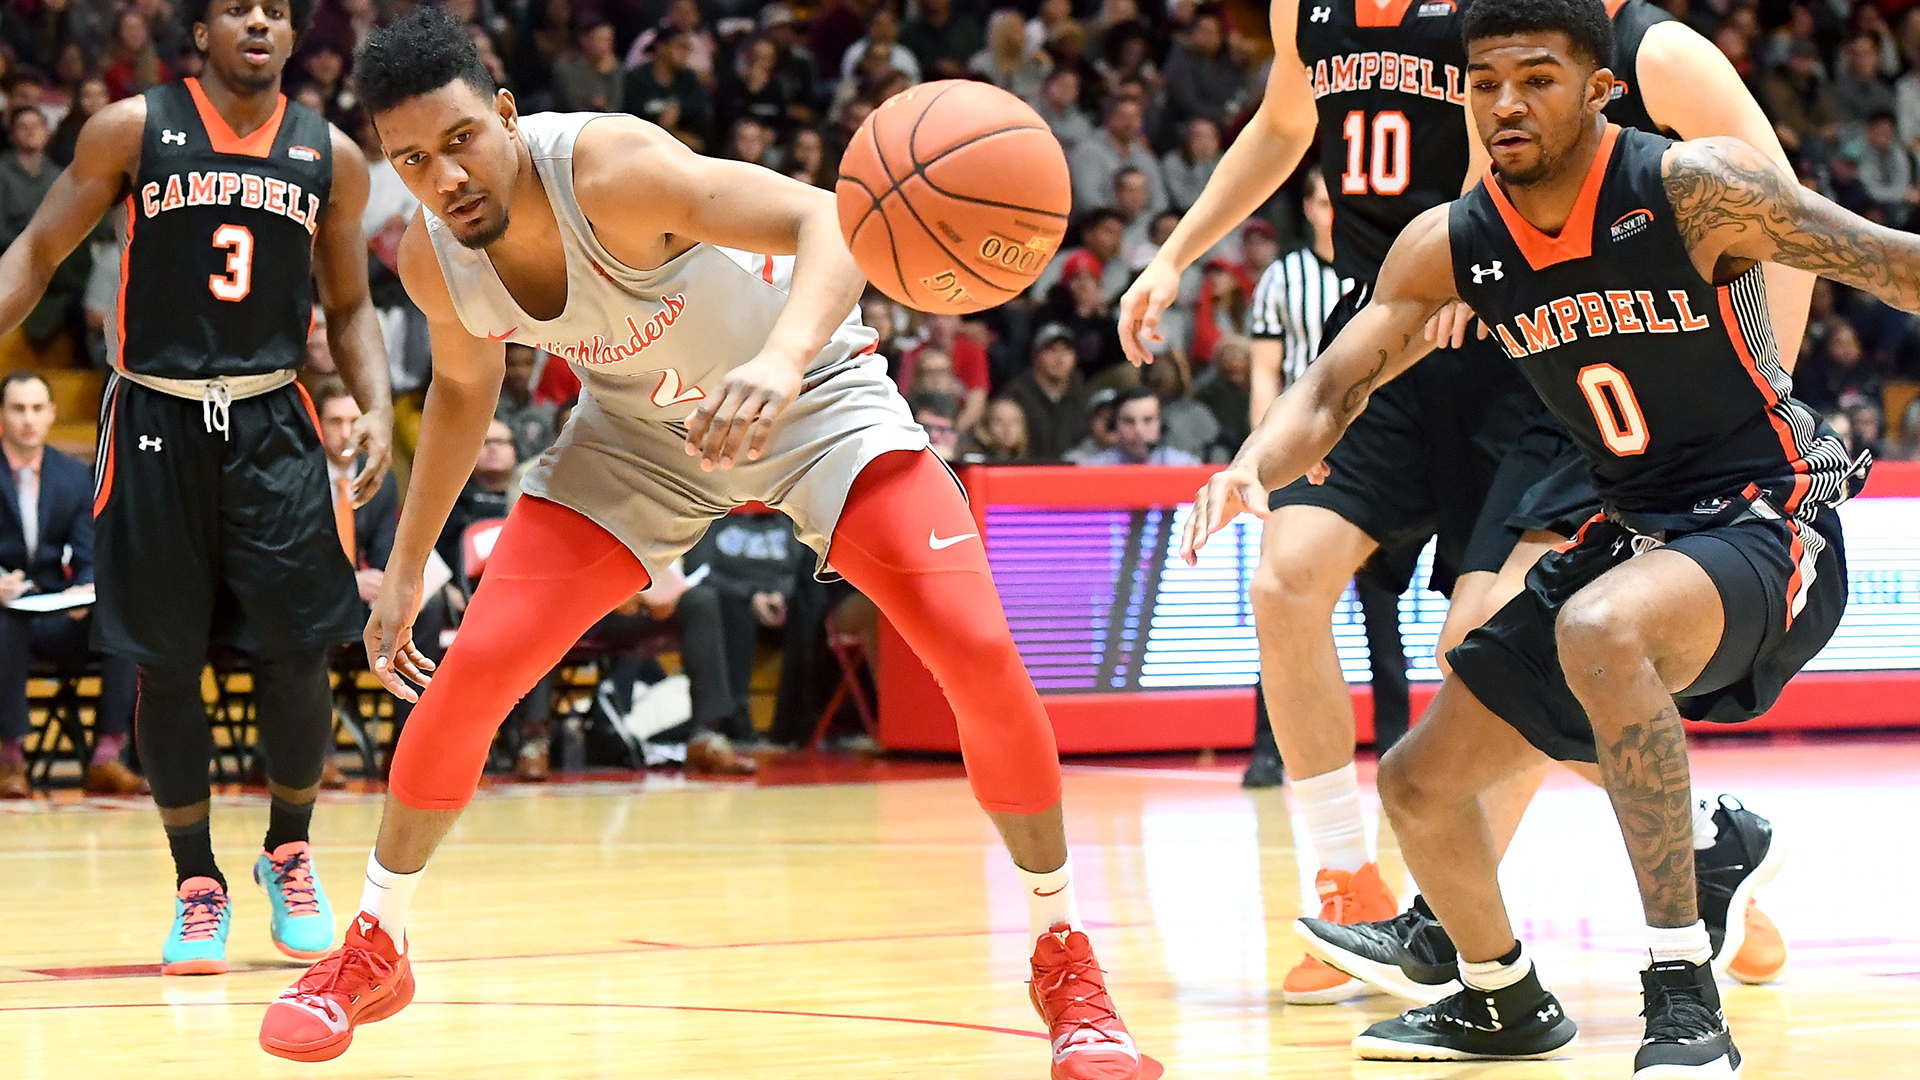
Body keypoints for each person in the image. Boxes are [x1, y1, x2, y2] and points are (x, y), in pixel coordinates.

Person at [258, 14, 1141, 1080]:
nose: (443, 175)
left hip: (812, 401)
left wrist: (778, 359)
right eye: (412, 160)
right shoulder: (438, 265)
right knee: (474, 672)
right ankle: (378, 945)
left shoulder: (614, 168)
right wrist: (403, 570)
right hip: (638, 444)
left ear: (503, 113)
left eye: (458, 141)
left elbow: (831, 219)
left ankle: (1063, 956)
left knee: (975, 650)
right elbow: (459, 390)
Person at [1184, 0, 1887, 1070]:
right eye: (1485, 83)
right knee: (1420, 783)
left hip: (1768, 513)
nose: (1507, 103)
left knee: (1597, 629)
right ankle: (1497, 994)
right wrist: (1249, 468)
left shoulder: (1692, 187)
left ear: (1601, 89)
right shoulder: (1457, 242)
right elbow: (1333, 385)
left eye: (1537, 79)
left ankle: (1681, 990)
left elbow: (1890, 263)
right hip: (1633, 529)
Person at [1312, 0, 1823, 996]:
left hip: (1682, 396)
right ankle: (1709, 849)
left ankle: (1459, 930)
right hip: (1566, 371)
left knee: (1508, 636)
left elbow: (1785, 214)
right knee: (1489, 643)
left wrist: (1768, 384)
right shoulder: (1506, 58)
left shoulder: (1657, 49)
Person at [0, 0, 394, 974]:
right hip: (152, 418)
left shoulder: (330, 155)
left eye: (274, 10)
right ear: (202, 34)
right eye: (235, 8)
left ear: (294, 36)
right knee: (164, 664)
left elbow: (350, 305)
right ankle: (195, 882)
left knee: (299, 648)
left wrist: (379, 407)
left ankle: (288, 851)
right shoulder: (132, 127)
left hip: (272, 417)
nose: (257, 22)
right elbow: (38, 253)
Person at [0, 372, 142, 798]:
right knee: (5, 625)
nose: (29, 419)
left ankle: (108, 756)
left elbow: (88, 553)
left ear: (51, 415)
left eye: (37, 408)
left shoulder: (72, 475)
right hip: (6, 615)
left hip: (53, 611)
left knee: (121, 620)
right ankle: (9, 761)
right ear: (2, 415)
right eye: (18, 408)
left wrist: (86, 585)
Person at [1002, 322, 1090, 461]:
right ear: (1036, 356)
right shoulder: (1017, 395)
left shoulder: (1082, 395)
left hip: (1072, 472)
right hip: (1027, 470)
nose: (1060, 358)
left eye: (1066, 350)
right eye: (1052, 350)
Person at [1078, 385, 1199, 465]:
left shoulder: (1186, 466)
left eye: (1148, 420)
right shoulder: (1093, 470)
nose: (1138, 430)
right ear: (1114, 425)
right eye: (1129, 421)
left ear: (1161, 424)